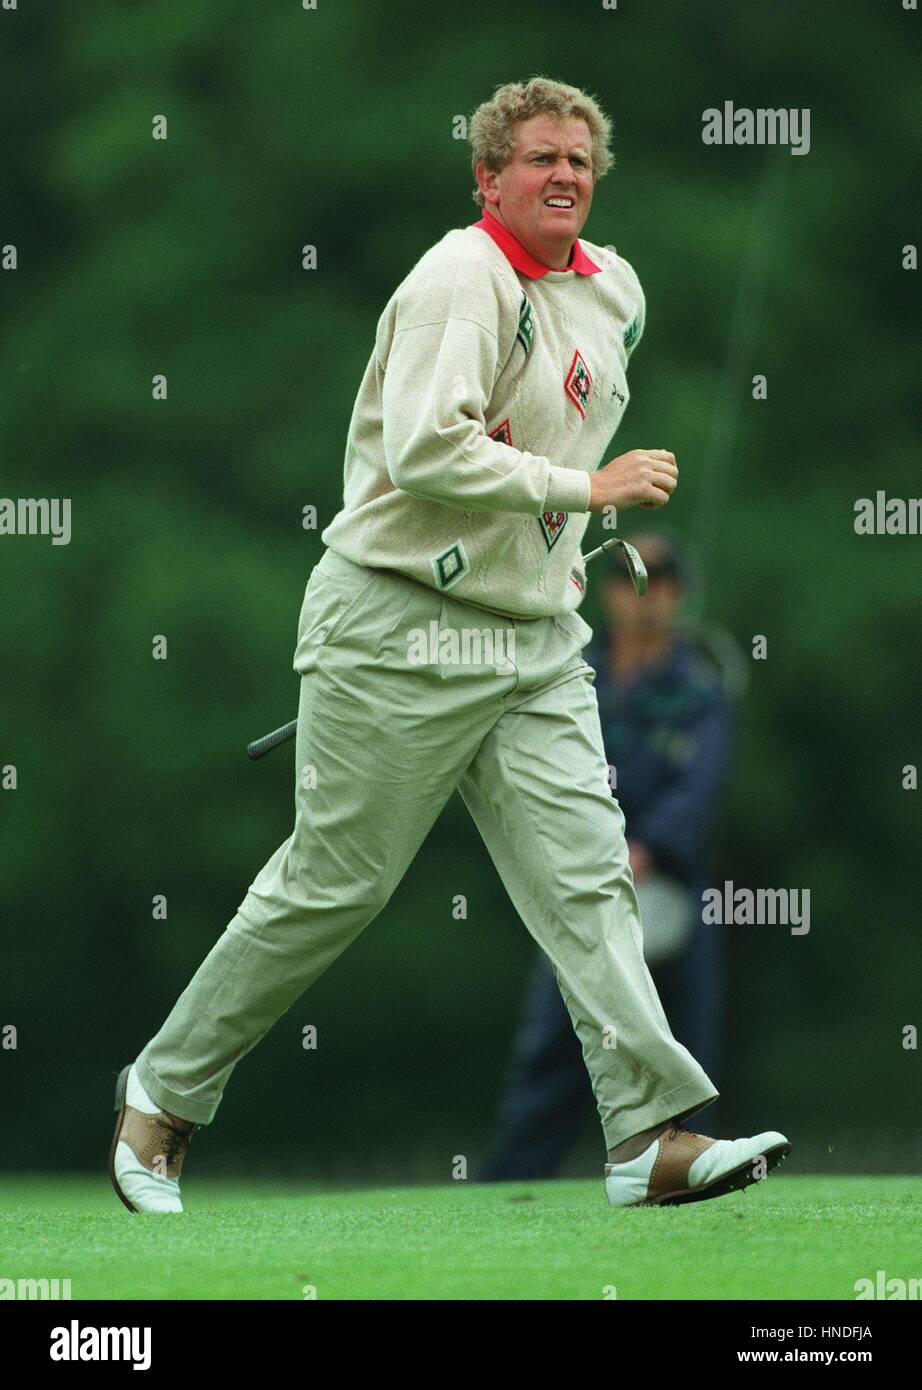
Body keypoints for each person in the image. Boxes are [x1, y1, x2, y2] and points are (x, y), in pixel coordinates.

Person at [109, 76, 788, 1214]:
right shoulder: (457, 279)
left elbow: (556, 415)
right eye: (537, 158)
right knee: (335, 885)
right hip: (392, 622)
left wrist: (559, 540)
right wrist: (583, 488)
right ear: (487, 177)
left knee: (589, 884)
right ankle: (158, 1100)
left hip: (530, 640)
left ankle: (649, 1134)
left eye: (579, 157)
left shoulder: (615, 289)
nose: (563, 173)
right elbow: (427, 448)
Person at [476, 533, 737, 1181]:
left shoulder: (700, 687)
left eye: (661, 581)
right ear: (607, 592)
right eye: (627, 580)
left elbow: (700, 785)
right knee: (551, 1052)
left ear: (680, 592)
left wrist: (644, 849)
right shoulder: (569, 666)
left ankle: (689, 1175)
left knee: (684, 1048)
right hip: (582, 887)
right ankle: (508, 1187)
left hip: (670, 892)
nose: (645, 597)